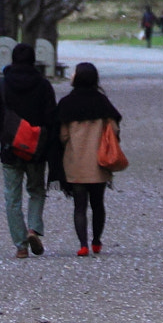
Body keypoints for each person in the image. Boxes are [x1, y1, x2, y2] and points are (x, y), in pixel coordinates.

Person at [0, 41, 55, 258]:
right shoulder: (43, 85)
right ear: (33, 61)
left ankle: (20, 245)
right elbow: (51, 118)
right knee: (36, 190)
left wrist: (4, 138)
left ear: (13, 60)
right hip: (36, 150)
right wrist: (44, 141)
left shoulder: (2, 85)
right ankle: (33, 228)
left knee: (12, 197)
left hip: (10, 149)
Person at [53, 61, 123, 256]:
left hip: (75, 162)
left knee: (80, 206)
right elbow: (114, 129)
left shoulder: (67, 103)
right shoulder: (102, 102)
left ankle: (83, 245)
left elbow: (62, 136)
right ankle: (97, 241)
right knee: (98, 204)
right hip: (99, 162)